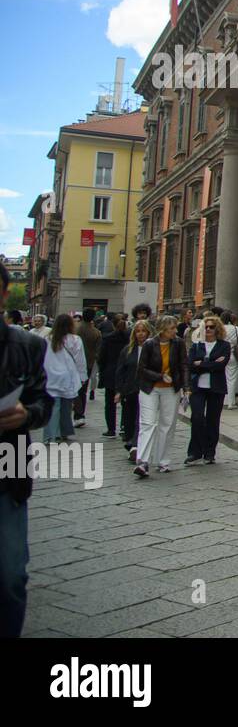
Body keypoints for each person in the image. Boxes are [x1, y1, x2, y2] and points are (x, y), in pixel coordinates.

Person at [0, 261, 53, 638]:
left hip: (8, 471)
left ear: (4, 294)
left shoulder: (28, 346)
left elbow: (43, 403)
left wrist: (27, 414)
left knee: (10, 575)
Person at [135, 315, 188, 478]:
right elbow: (141, 368)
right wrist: (159, 376)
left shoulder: (178, 343)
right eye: (172, 328)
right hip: (149, 388)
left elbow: (184, 365)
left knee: (167, 424)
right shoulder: (150, 344)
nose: (175, 331)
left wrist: (186, 388)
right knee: (148, 423)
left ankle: (163, 460)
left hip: (171, 388)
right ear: (163, 330)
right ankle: (143, 461)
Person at [185, 315, 231, 466]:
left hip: (216, 388)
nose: (209, 329)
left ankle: (210, 452)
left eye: (212, 327)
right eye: (206, 327)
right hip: (197, 387)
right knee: (197, 418)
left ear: (217, 329)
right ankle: (195, 452)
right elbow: (191, 365)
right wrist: (211, 362)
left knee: (213, 420)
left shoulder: (224, 345)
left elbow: (221, 365)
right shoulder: (196, 345)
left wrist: (202, 363)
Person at [42, 314, 86, 443]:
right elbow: (80, 360)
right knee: (66, 407)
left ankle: (50, 435)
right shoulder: (75, 339)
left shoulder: (48, 339)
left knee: (53, 406)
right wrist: (82, 376)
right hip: (68, 376)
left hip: (51, 376)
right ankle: (64, 431)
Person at [115, 319, 152, 460]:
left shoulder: (153, 348)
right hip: (130, 389)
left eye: (143, 331)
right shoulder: (128, 350)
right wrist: (118, 390)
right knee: (129, 419)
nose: (140, 334)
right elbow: (120, 370)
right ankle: (131, 442)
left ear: (148, 332)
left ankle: (137, 446)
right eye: (138, 331)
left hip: (147, 389)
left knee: (141, 418)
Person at [97, 315, 129, 438]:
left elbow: (101, 358)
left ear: (112, 325)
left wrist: (102, 370)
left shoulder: (107, 338)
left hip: (111, 372)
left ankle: (111, 429)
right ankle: (124, 427)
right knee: (126, 403)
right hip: (126, 373)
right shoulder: (129, 338)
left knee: (110, 403)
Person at [72, 310, 101, 428]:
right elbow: (98, 350)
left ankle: (75, 414)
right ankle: (80, 415)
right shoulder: (96, 332)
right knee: (82, 390)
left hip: (73, 363)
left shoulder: (75, 328)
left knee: (72, 390)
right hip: (88, 364)